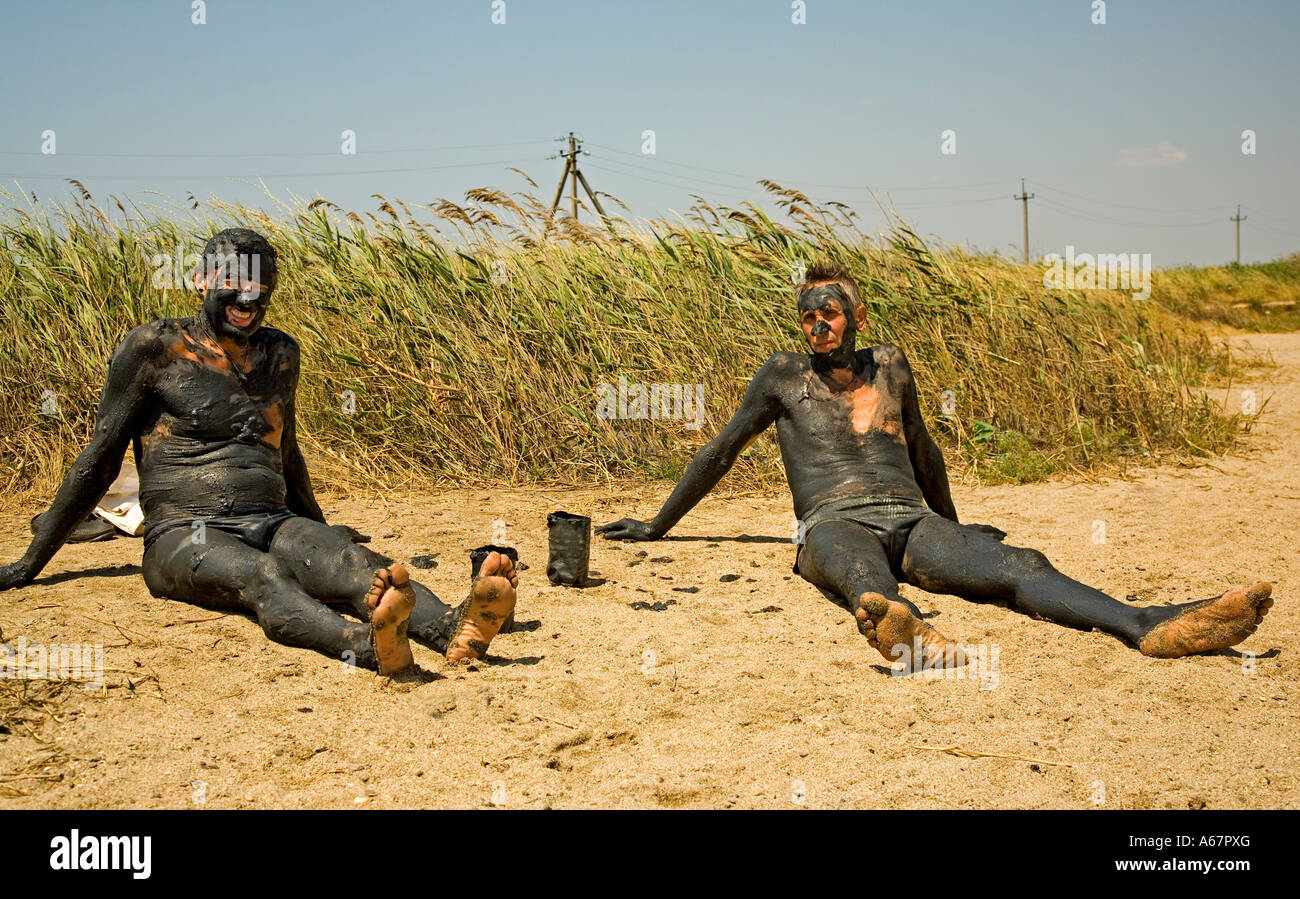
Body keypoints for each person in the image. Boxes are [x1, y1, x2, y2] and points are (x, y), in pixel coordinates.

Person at [597, 261, 1272, 665]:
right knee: (855, 570)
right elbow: (720, 452)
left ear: (857, 314)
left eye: (829, 313)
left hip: (912, 519)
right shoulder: (783, 375)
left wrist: (957, 529)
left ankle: (1145, 624)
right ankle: (902, 626)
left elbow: (923, 449)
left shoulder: (890, 365)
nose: (817, 326)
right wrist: (658, 525)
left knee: (1021, 566)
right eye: (807, 317)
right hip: (831, 522)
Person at [0, 228, 516, 674]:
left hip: (270, 519)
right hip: (183, 535)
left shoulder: (280, 353)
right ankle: (367, 646)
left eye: (260, 292)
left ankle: (452, 627)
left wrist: (318, 527)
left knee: (352, 562)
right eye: (234, 289)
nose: (247, 305)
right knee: (263, 575)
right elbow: (99, 460)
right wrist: (28, 564)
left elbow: (286, 450)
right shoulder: (155, 348)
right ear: (201, 281)